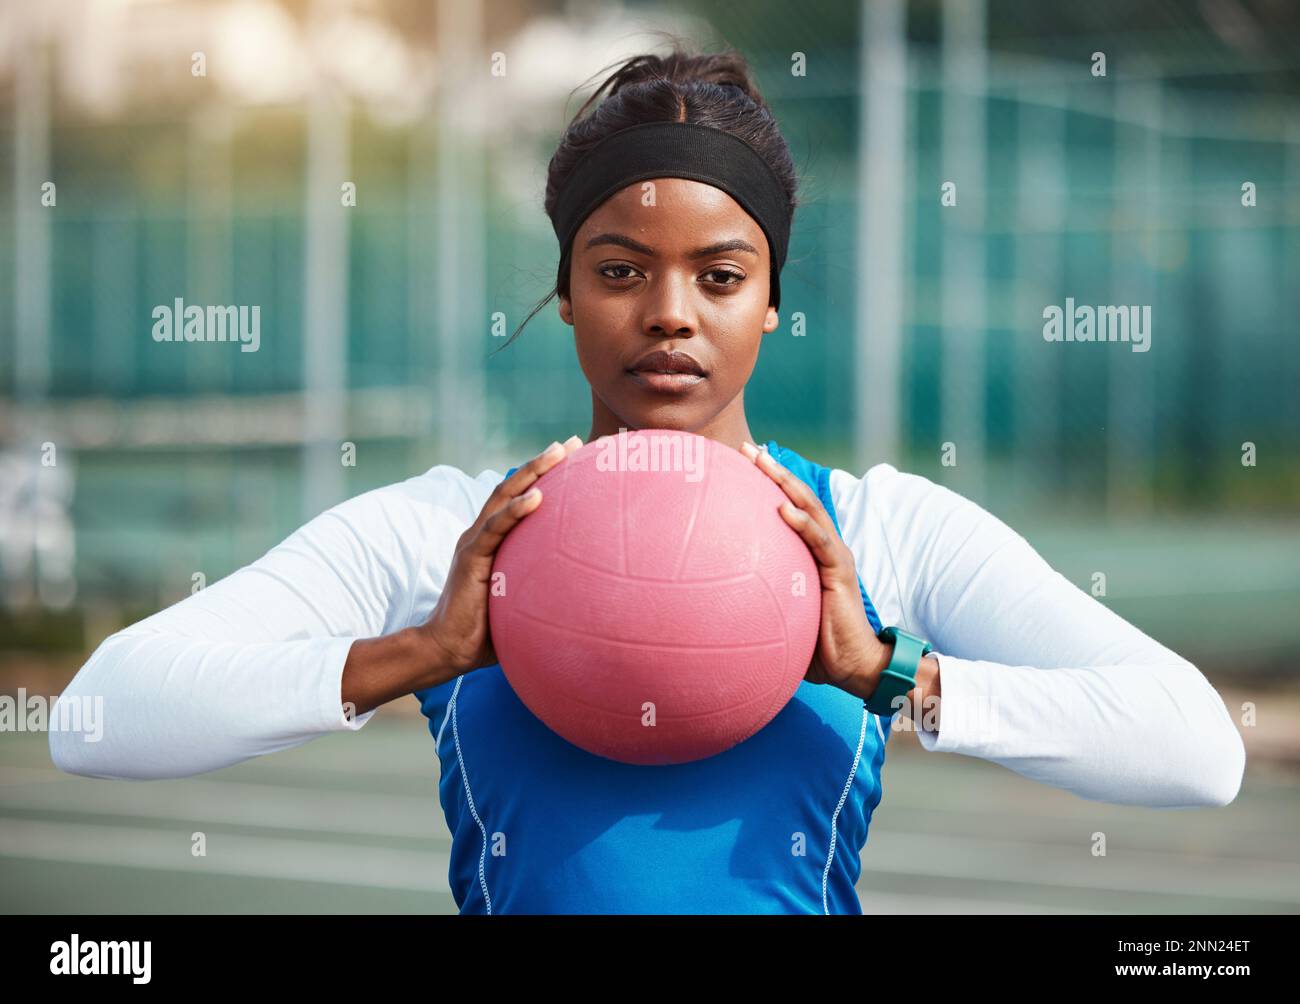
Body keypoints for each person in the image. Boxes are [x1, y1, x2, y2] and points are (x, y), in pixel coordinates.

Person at [51, 46, 1245, 915]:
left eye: (719, 277)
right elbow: (99, 718)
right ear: (565, 290)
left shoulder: (880, 527)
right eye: (620, 269)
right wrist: (423, 651)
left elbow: (1197, 746)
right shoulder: (448, 531)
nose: (668, 314)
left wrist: (889, 672)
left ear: (771, 299)